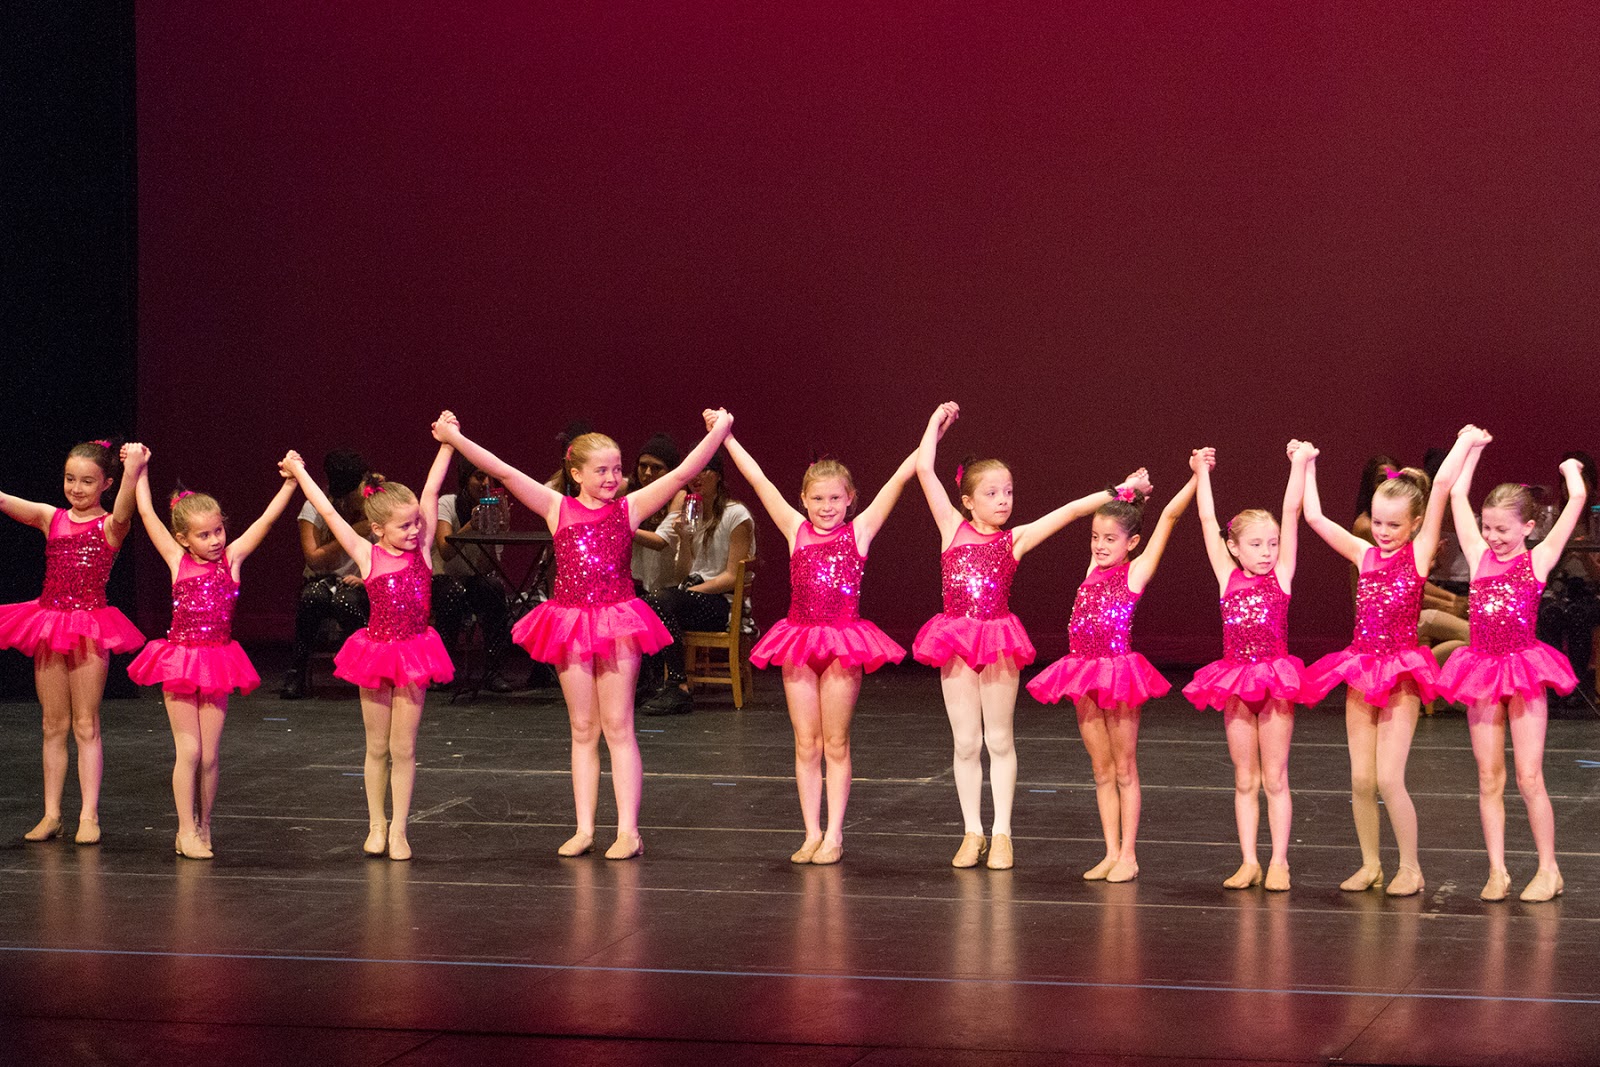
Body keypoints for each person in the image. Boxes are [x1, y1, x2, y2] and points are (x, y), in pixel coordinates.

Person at [433, 408, 733, 860]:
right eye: (602, 470)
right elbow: (503, 471)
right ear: (575, 473)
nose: (613, 477)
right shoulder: (557, 507)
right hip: (571, 623)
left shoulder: (629, 508)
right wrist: (455, 438)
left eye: (617, 469)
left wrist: (720, 432)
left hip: (616, 622)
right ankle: (585, 828)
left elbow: (684, 473)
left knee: (618, 725)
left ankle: (628, 831)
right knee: (581, 728)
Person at [913, 402, 1149, 870]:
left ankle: (1002, 833)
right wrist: (935, 425)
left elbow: (1068, 512)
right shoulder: (950, 529)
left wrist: (1122, 489)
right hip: (955, 641)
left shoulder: (1013, 540)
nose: (1004, 500)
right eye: (993, 493)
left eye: (1009, 492)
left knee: (998, 739)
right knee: (964, 743)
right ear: (968, 500)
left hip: (998, 641)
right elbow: (923, 467)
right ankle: (971, 831)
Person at [720, 414, 917, 865]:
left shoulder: (859, 532)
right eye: (818, 498)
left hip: (844, 641)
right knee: (805, 743)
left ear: (850, 500)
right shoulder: (795, 529)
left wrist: (932, 430)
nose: (826, 506)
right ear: (804, 500)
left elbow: (901, 476)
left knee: (836, 742)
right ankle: (809, 832)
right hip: (799, 641)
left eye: (835, 498)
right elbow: (757, 478)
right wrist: (726, 435)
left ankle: (834, 835)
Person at [1299, 429, 1476, 897]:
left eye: (1393, 525)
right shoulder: (1364, 553)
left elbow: (1439, 488)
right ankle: (1371, 864)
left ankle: (1411, 867)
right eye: (1378, 522)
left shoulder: (1417, 558)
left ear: (1415, 524)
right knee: (1360, 778)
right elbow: (1314, 518)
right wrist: (1306, 463)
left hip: (1400, 672)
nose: (1382, 532)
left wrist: (1462, 443)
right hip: (1361, 667)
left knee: (1389, 777)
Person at [122, 444, 297, 858]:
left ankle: (204, 826)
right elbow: (146, 515)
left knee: (211, 755)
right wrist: (141, 470)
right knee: (191, 750)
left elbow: (266, 521)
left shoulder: (232, 559)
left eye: (218, 530)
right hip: (181, 660)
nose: (215, 540)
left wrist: (290, 482)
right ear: (183, 538)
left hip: (218, 661)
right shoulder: (176, 559)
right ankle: (185, 830)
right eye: (204, 535)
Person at [284, 442, 456, 861]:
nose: (415, 532)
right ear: (378, 529)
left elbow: (432, 490)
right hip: (376, 653)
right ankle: (376, 825)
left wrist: (448, 443)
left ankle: (400, 829)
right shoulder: (366, 554)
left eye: (416, 524)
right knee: (376, 746)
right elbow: (326, 511)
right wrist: (299, 472)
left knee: (404, 748)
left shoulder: (423, 553)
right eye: (404, 527)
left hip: (414, 653)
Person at [1437, 432, 1585, 902]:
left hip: (1522, 672)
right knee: (1488, 777)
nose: (1492, 537)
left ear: (1526, 527)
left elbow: (1577, 499)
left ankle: (1548, 869)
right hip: (1481, 671)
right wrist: (1474, 450)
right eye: (1487, 527)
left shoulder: (1538, 560)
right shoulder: (1479, 558)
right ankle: (1497, 869)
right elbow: (1456, 492)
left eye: (1503, 529)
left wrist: (1568, 471)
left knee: (1528, 776)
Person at [1027, 462, 1184, 883]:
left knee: (1124, 768)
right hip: (1082, 673)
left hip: (1118, 675)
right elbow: (1087, 512)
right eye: (1095, 538)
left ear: (1131, 543)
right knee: (1100, 770)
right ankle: (1110, 851)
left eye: (1110, 539)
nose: (1099, 545)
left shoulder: (1135, 571)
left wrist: (1195, 477)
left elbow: (1168, 516)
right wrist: (1128, 488)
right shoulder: (1091, 572)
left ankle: (1129, 854)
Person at [1182, 442, 1312, 891]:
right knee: (1244, 778)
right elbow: (1205, 520)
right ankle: (1249, 860)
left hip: (1274, 680)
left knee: (1275, 776)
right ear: (1234, 547)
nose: (1267, 552)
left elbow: (1291, 512)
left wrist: (1298, 464)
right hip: (1236, 681)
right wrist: (1202, 473)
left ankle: (1279, 861)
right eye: (1256, 545)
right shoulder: (1226, 574)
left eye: (1272, 544)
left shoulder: (1282, 575)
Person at [0, 439, 143, 844]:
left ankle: (88, 815)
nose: (76, 488)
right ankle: (51, 815)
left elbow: (127, 507)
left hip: (89, 626)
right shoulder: (52, 518)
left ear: (106, 484)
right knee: (52, 724)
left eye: (87, 481)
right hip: (47, 623)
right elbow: (6, 500)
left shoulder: (112, 526)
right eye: (69, 479)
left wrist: (133, 468)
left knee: (85, 724)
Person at [638, 449, 756, 715]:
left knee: (659, 601)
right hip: (697, 596)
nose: (697, 477)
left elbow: (730, 577)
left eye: (704, 470)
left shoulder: (736, 515)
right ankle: (652, 683)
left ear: (717, 475)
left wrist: (690, 591)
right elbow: (684, 572)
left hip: (722, 603)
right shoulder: (694, 512)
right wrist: (684, 540)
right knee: (646, 603)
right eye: (693, 472)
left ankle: (677, 686)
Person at [279, 448, 372, 699]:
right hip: (322, 580)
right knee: (313, 598)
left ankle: (365, 667)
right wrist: (352, 533)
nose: (362, 492)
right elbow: (314, 558)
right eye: (357, 489)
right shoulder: (316, 507)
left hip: (364, 583)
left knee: (346, 602)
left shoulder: (376, 506)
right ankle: (296, 671)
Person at [433, 458, 516, 693]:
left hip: (472, 577)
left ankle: (493, 671)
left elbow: (485, 566)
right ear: (465, 479)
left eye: (490, 478)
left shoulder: (493, 509)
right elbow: (445, 551)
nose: (486, 483)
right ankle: (443, 671)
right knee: (451, 592)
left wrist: (497, 530)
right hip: (444, 578)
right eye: (479, 477)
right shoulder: (448, 503)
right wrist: (471, 525)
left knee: (493, 588)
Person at [1537, 450, 1600, 698]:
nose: (1568, 486)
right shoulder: (1555, 519)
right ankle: (1553, 685)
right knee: (1549, 614)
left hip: (1590, 591)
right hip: (1561, 589)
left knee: (1579, 616)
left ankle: (1578, 686)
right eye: (1563, 480)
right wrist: (1562, 553)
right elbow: (1544, 572)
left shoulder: (1596, 519)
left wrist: (1584, 553)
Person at [630, 433, 686, 597]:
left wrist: (620, 525)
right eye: (643, 466)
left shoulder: (679, 495)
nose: (647, 473)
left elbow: (660, 541)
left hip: (671, 589)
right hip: (641, 585)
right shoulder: (634, 491)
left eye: (656, 468)